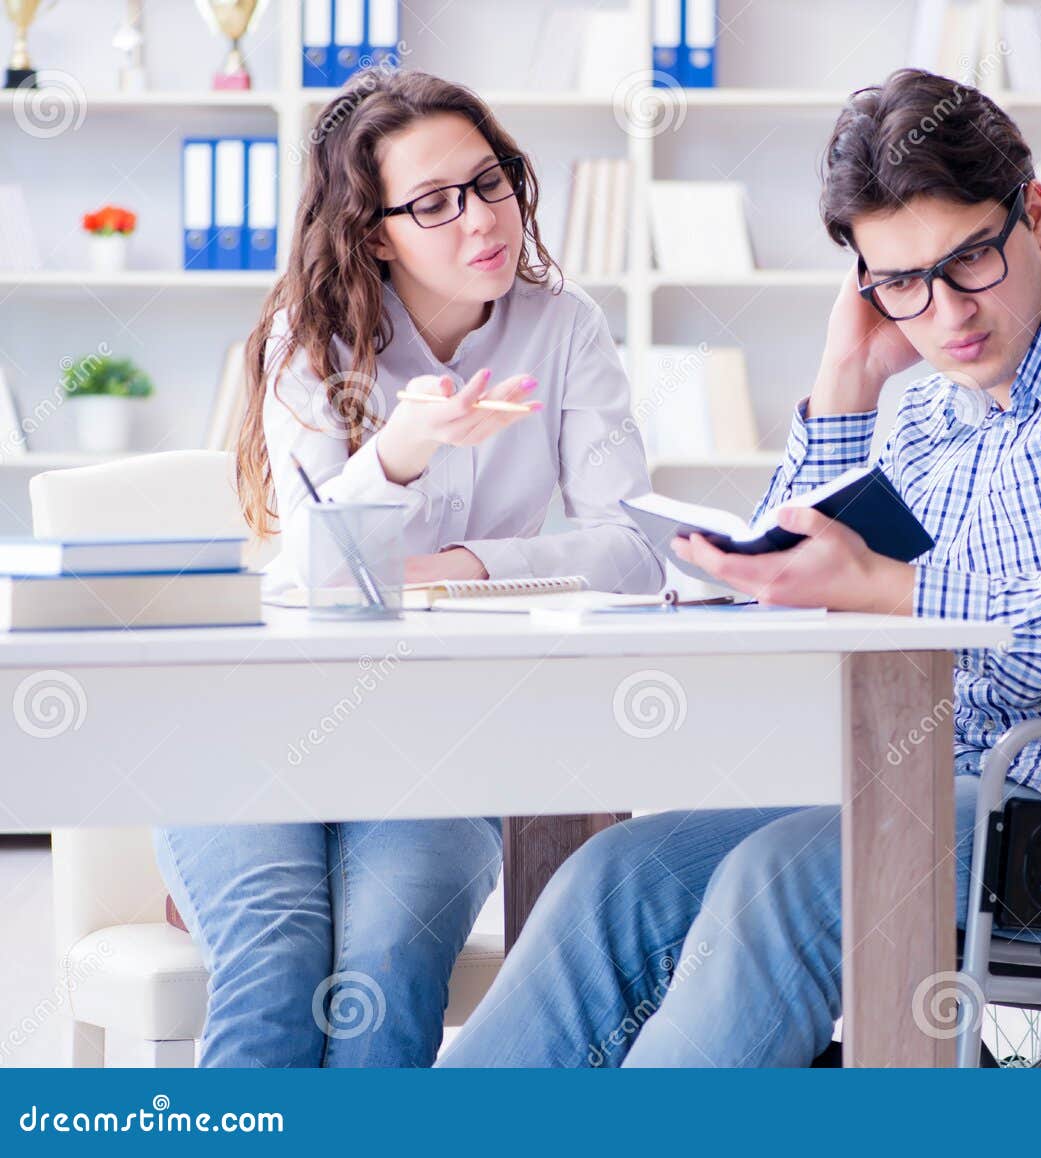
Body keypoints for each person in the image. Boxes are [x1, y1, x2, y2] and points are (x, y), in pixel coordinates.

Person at [437, 67, 1041, 1068]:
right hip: (974, 780)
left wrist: (894, 588)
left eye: (967, 261)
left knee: (787, 879)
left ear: (1035, 212)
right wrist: (843, 391)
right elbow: (786, 587)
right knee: (619, 878)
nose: (944, 314)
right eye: (900, 284)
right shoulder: (930, 400)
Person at [156, 69, 663, 1067]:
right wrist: (397, 455)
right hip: (254, 732)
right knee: (277, 963)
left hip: (440, 742)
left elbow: (635, 551)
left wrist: (461, 565)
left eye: (491, 182)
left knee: (386, 969)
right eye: (433, 203)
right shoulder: (310, 341)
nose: (480, 219)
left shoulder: (564, 327)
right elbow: (310, 575)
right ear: (376, 230)